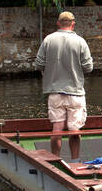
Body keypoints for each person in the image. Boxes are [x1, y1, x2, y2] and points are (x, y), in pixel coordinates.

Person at [34, 11, 93, 160]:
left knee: (57, 129)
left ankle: (56, 160)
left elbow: (39, 64)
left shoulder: (48, 40)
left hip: (54, 93)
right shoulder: (80, 41)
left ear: (58, 23)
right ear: (73, 24)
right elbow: (88, 68)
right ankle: (74, 161)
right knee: (74, 130)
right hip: (76, 93)